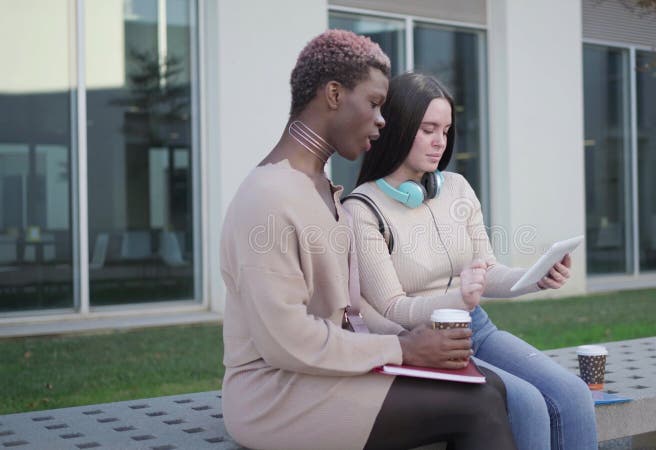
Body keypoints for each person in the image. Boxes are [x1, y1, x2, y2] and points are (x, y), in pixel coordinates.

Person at [220, 31, 517, 450]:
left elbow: (348, 315)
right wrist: (403, 349)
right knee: (476, 404)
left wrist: (417, 339)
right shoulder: (267, 197)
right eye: (375, 104)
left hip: (324, 372)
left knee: (489, 386)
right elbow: (285, 342)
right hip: (276, 394)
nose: (382, 119)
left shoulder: (321, 186)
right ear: (335, 95)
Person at [343, 72, 598, 450]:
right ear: (398, 128)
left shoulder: (457, 188)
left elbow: (486, 271)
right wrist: (457, 300)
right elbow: (393, 308)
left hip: (477, 328)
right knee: (525, 403)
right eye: (428, 129)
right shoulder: (362, 209)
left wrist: (536, 278)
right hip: (425, 341)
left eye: (445, 130)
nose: (439, 142)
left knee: (572, 393)